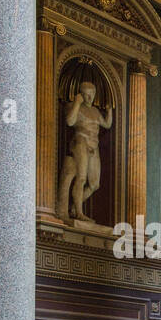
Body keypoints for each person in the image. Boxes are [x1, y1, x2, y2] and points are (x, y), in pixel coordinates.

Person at [56, 81, 113, 222]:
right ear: (81, 94)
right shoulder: (74, 106)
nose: (89, 98)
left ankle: (74, 207)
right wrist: (76, 103)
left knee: (94, 184)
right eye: (86, 95)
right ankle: (79, 213)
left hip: (94, 146)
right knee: (81, 178)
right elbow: (70, 121)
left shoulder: (95, 111)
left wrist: (110, 111)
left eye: (92, 94)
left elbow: (107, 124)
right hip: (80, 142)